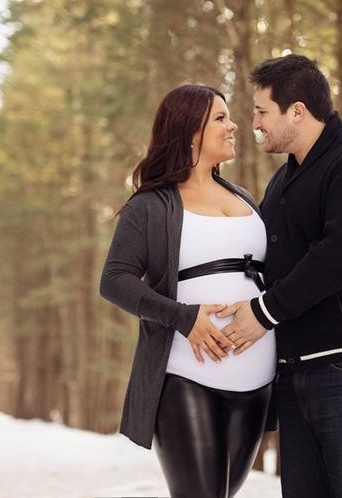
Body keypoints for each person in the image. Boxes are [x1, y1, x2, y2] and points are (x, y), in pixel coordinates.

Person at [219, 55, 342, 498]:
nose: (254, 123)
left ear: (298, 111)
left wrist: (264, 312)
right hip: (296, 371)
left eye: (262, 111)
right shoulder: (281, 185)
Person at [99, 84, 276, 498]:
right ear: (190, 129)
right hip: (185, 376)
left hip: (257, 382)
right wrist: (186, 318)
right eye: (220, 118)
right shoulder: (151, 205)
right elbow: (115, 280)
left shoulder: (246, 199)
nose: (234, 125)